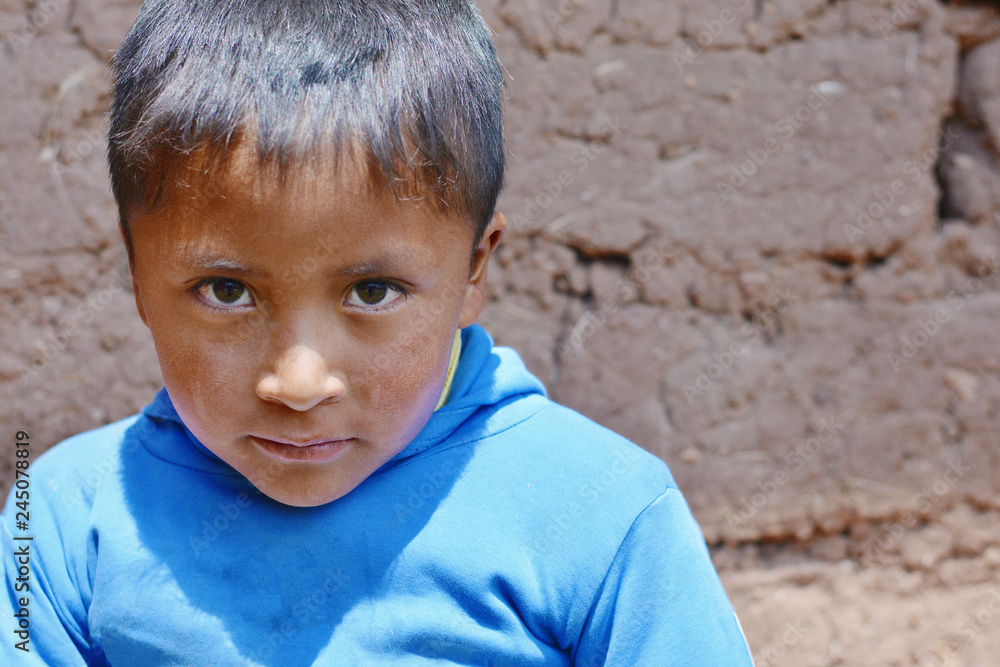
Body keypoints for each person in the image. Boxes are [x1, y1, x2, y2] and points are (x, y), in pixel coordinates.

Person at [1, 0, 754, 664]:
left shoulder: (606, 514)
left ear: (473, 269)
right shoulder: (67, 521)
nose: (297, 383)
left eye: (372, 290)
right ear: (136, 277)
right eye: (226, 291)